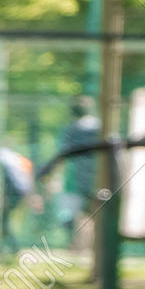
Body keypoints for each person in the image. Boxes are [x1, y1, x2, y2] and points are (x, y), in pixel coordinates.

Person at [40, 96, 100, 253]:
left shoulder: (71, 130)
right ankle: (92, 247)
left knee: (71, 217)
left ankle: (76, 246)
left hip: (75, 180)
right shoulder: (100, 127)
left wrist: (49, 172)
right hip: (98, 179)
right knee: (95, 214)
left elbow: (63, 154)